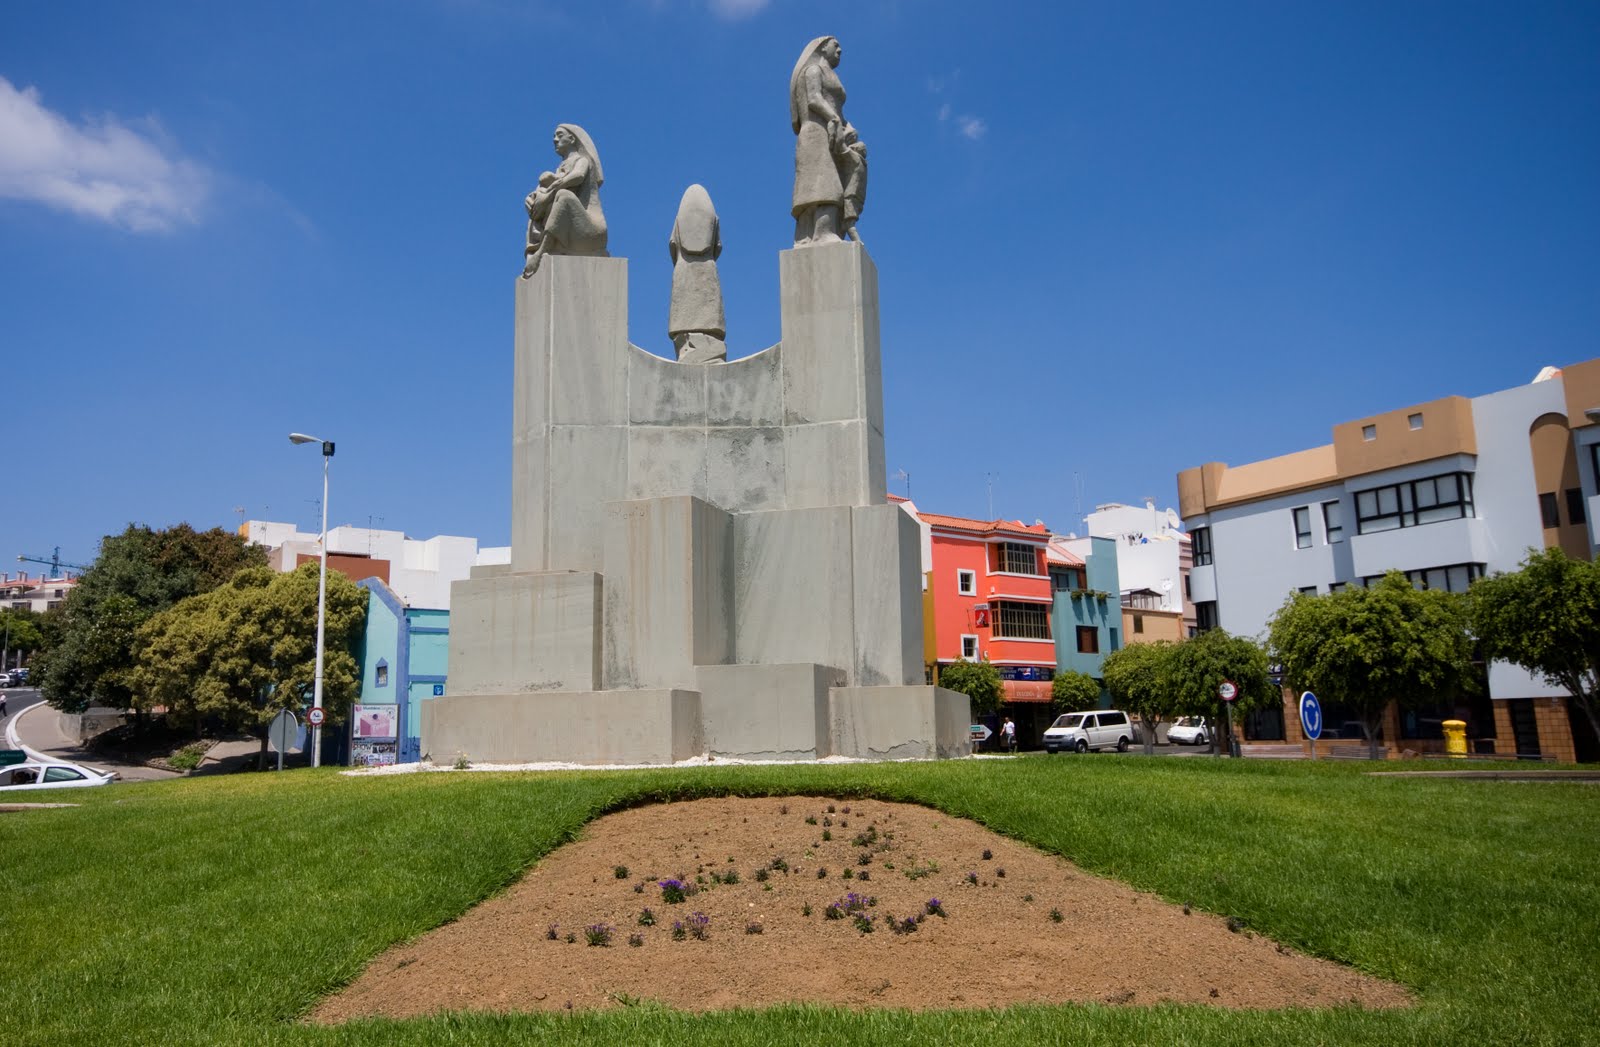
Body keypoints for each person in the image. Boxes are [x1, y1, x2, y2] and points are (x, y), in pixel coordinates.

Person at [522, 124, 608, 279]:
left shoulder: (582, 160)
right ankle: (532, 250)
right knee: (538, 211)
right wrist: (533, 198)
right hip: (573, 231)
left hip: (592, 233)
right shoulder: (560, 168)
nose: (555, 140)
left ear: (572, 138)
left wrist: (548, 194)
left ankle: (541, 252)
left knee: (564, 196)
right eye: (554, 136)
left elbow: (577, 177)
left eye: (559, 135)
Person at [789, 36, 849, 245]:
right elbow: (814, 99)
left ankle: (831, 229)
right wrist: (833, 118)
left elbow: (837, 110)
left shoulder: (831, 74)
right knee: (824, 183)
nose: (840, 49)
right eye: (836, 45)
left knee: (836, 183)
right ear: (823, 48)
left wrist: (846, 127)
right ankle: (821, 232)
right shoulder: (813, 70)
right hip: (816, 133)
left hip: (832, 134)